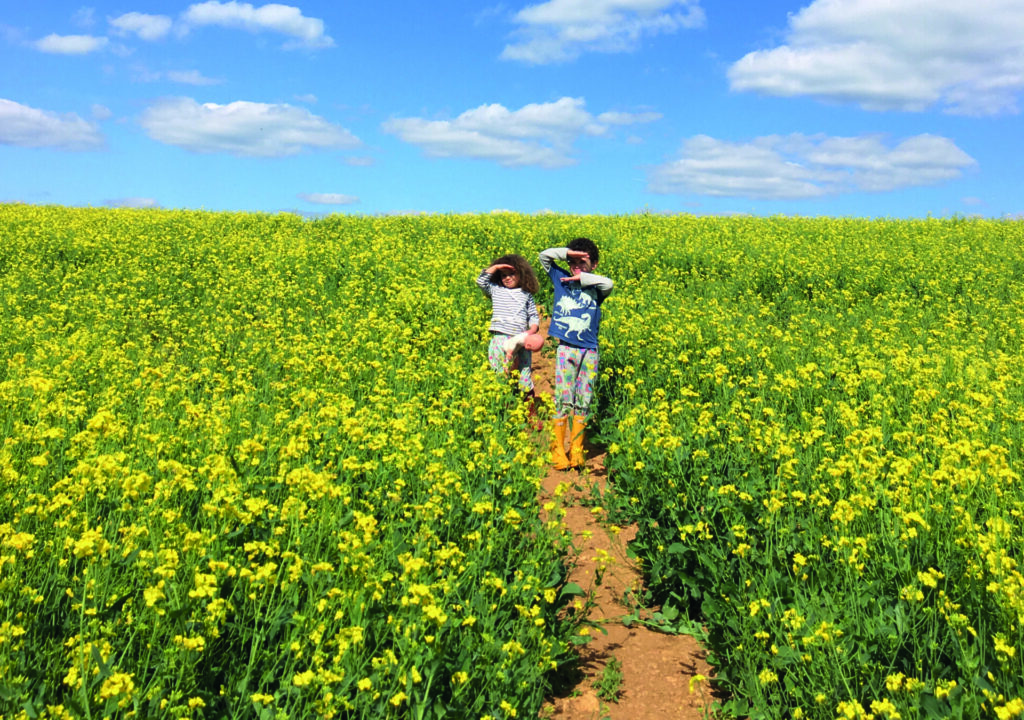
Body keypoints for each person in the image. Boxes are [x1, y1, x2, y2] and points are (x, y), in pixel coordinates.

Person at [539, 238, 613, 470]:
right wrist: (569, 253)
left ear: (595, 264)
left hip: (589, 351)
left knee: (584, 400)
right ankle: (557, 448)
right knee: (563, 398)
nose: (575, 266)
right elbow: (544, 255)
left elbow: (609, 282)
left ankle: (577, 449)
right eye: (572, 262)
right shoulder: (560, 279)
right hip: (566, 349)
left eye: (582, 261)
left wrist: (582, 277)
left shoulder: (596, 288)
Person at [476, 254, 542, 396]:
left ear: (521, 274)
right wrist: (496, 267)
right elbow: (481, 282)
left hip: (521, 338)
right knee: (500, 372)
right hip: (500, 337)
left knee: (524, 372)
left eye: (512, 274)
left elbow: (533, 316)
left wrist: (532, 330)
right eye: (503, 275)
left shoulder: (526, 294)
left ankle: (528, 409)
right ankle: (503, 406)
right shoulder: (496, 290)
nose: (507, 278)